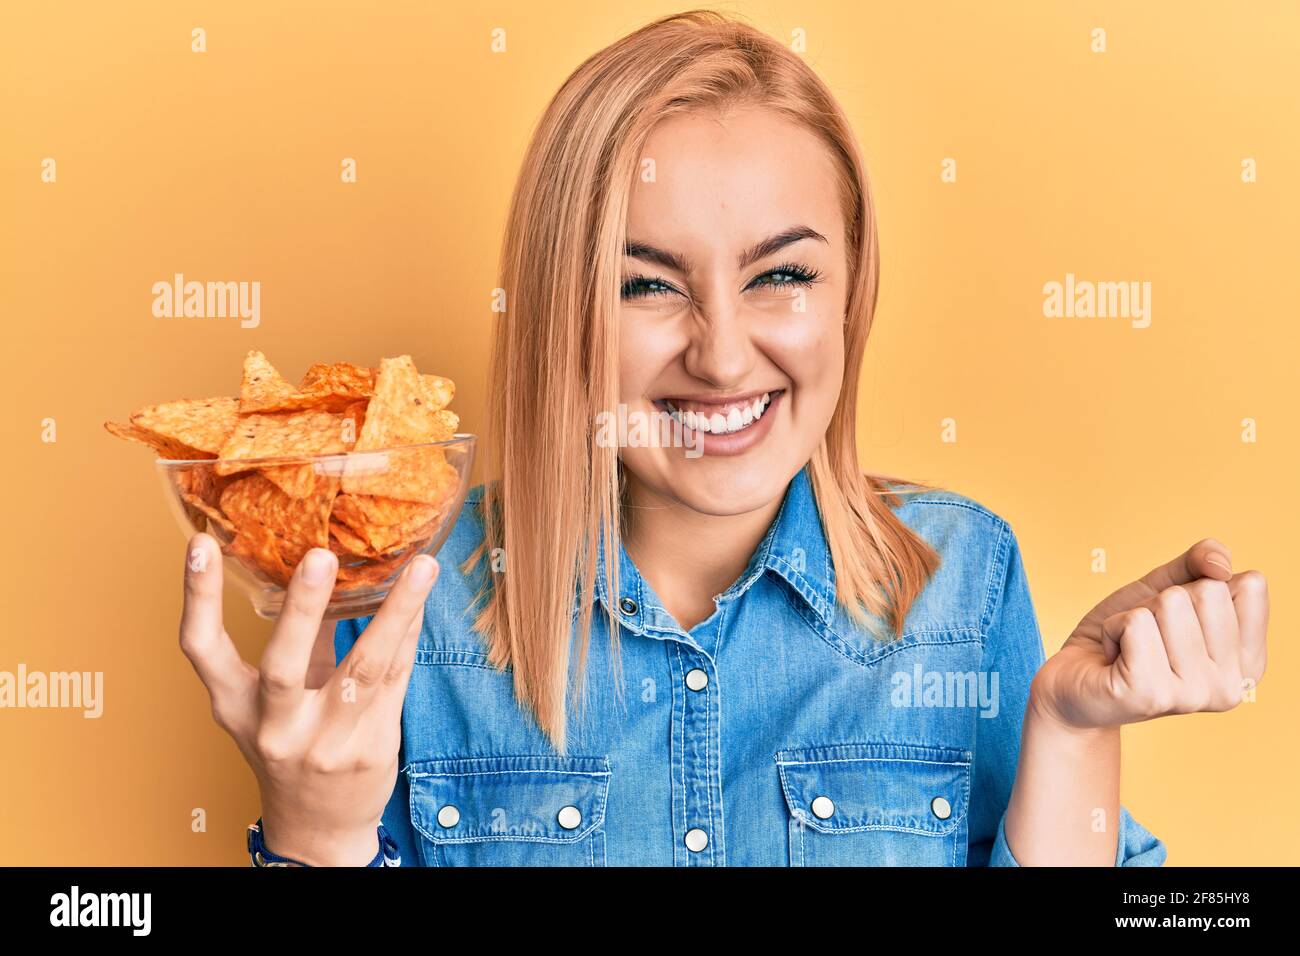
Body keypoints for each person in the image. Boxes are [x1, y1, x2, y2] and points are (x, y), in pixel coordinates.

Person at [178, 10, 1269, 867]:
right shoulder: (405, 603)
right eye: (647, 284)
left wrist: (1072, 730)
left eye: (781, 275)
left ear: (851, 294)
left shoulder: (963, 581)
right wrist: (313, 833)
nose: (723, 353)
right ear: (564, 309)